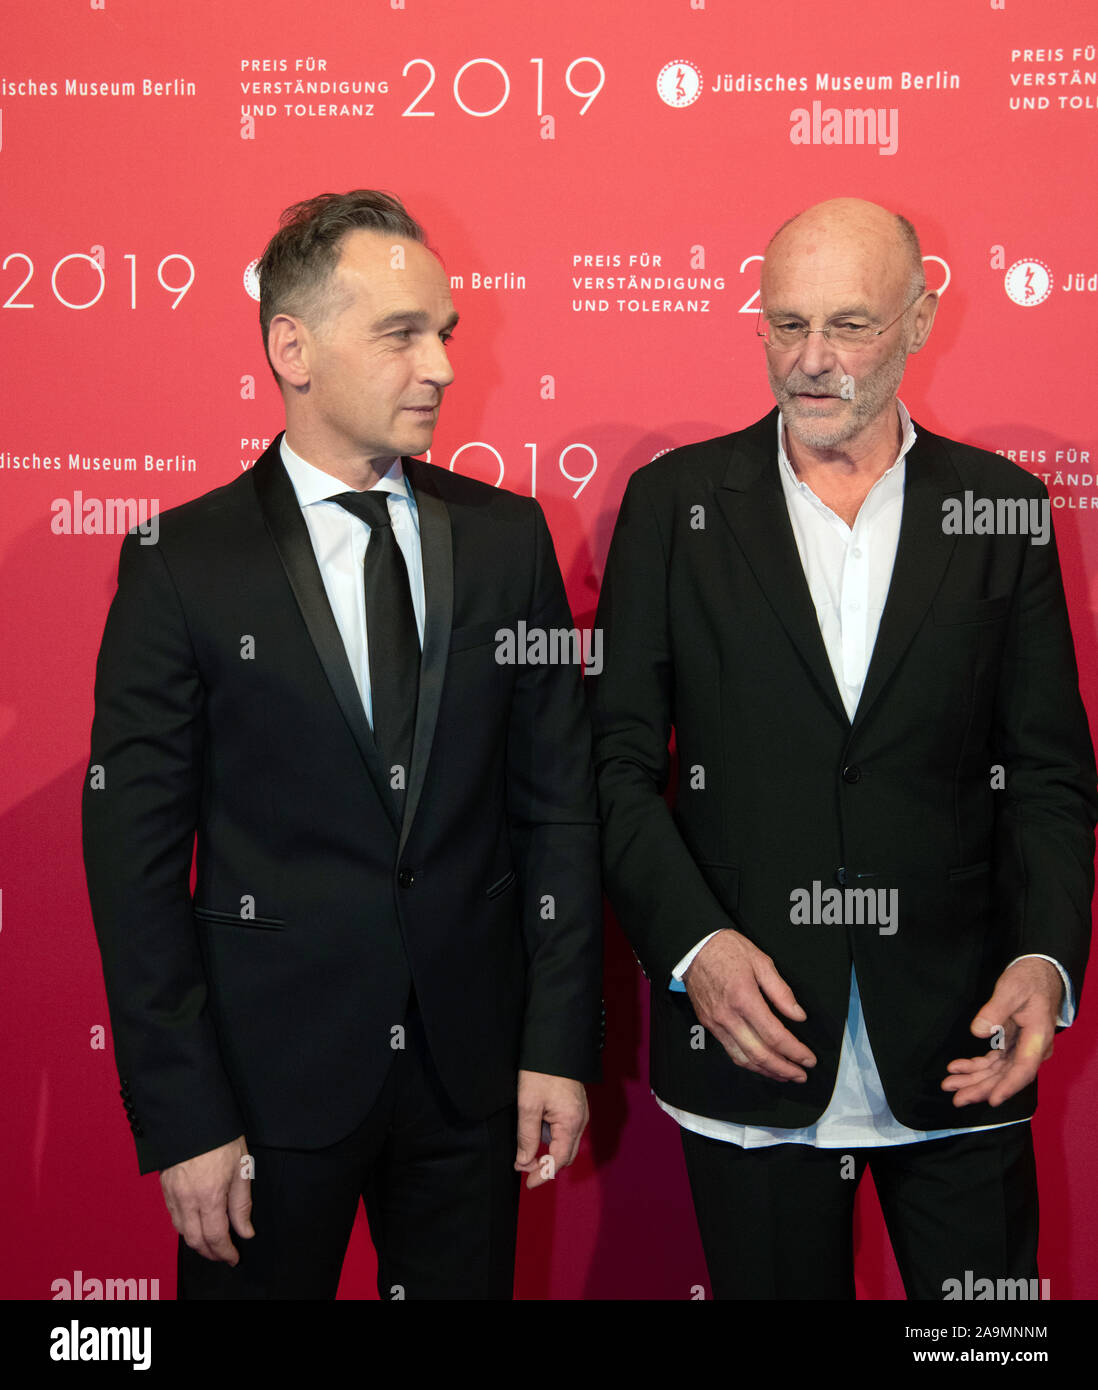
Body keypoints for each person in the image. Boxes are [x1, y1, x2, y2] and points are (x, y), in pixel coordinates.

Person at [82, 189, 602, 1300]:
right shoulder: (183, 563)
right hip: (265, 1097)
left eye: (446, 333)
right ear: (293, 346)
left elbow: (557, 805)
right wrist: (185, 1115)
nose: (443, 367)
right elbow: (132, 869)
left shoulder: (508, 541)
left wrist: (555, 1039)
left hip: (472, 1085)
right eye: (402, 333)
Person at [589, 197, 1097, 1299]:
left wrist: (1042, 962)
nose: (812, 361)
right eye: (786, 324)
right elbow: (615, 769)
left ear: (920, 321)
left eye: (851, 326)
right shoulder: (676, 507)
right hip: (752, 1046)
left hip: (964, 1045)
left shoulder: (1002, 509)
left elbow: (1050, 772)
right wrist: (694, 951)